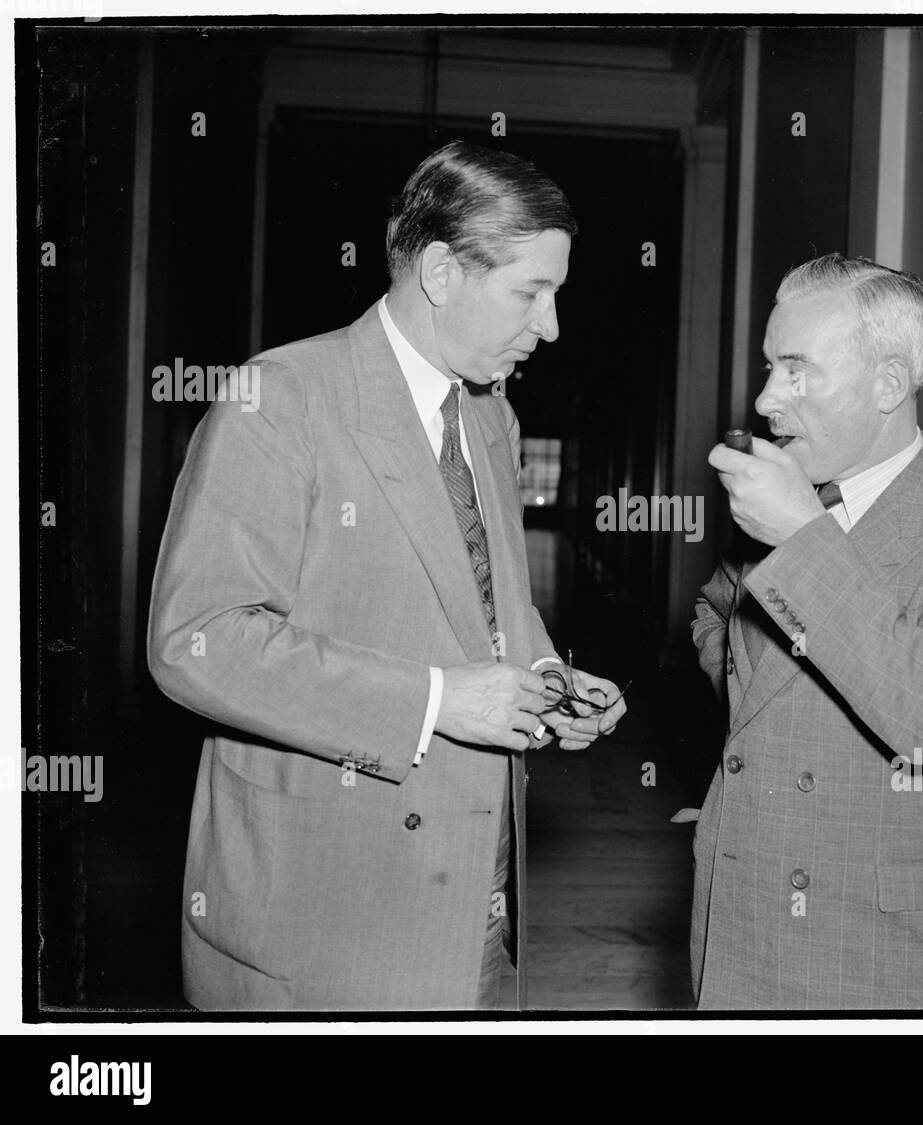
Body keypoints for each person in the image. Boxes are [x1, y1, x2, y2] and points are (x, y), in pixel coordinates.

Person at [148, 141, 625, 1012]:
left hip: (476, 893)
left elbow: (491, 600)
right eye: (531, 292)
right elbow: (197, 643)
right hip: (327, 912)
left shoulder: (491, 416)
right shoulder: (280, 398)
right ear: (441, 271)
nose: (552, 325)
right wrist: (437, 701)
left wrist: (544, 677)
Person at [690, 253, 923, 1009]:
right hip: (739, 907)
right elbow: (714, 614)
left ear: (889, 384)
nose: (765, 399)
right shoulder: (778, 500)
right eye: (769, 367)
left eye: (797, 372)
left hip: (881, 941)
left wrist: (801, 536)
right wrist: (766, 718)